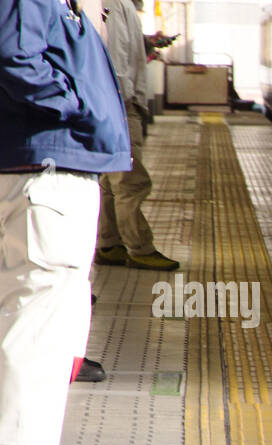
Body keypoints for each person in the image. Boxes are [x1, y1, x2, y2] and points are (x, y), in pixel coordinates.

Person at [0, 0, 130, 445]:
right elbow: (13, 55)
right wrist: (75, 105)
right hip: (46, 169)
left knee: (36, 310)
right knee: (37, 314)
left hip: (52, 169)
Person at [93, 0, 177, 271]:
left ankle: (108, 242)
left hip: (113, 102)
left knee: (110, 181)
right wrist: (121, 103)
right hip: (119, 104)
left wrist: (146, 42)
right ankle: (140, 247)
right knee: (131, 182)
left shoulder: (117, 4)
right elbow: (115, 57)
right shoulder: (115, 5)